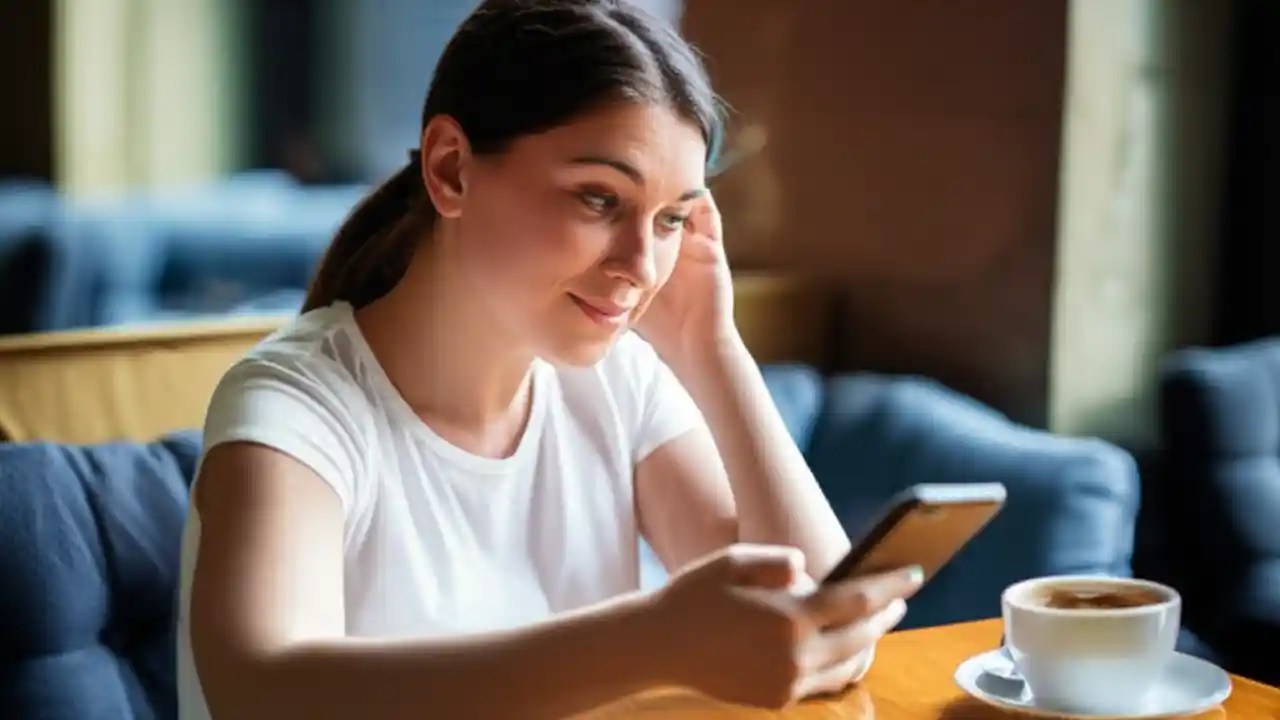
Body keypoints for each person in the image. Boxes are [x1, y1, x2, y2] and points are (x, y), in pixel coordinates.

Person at [178, 1, 923, 717]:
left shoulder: (618, 381)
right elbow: (261, 692)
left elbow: (829, 628)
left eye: (669, 219)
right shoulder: (294, 405)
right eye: (599, 199)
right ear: (451, 169)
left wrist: (711, 346)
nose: (641, 262)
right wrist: (646, 643)